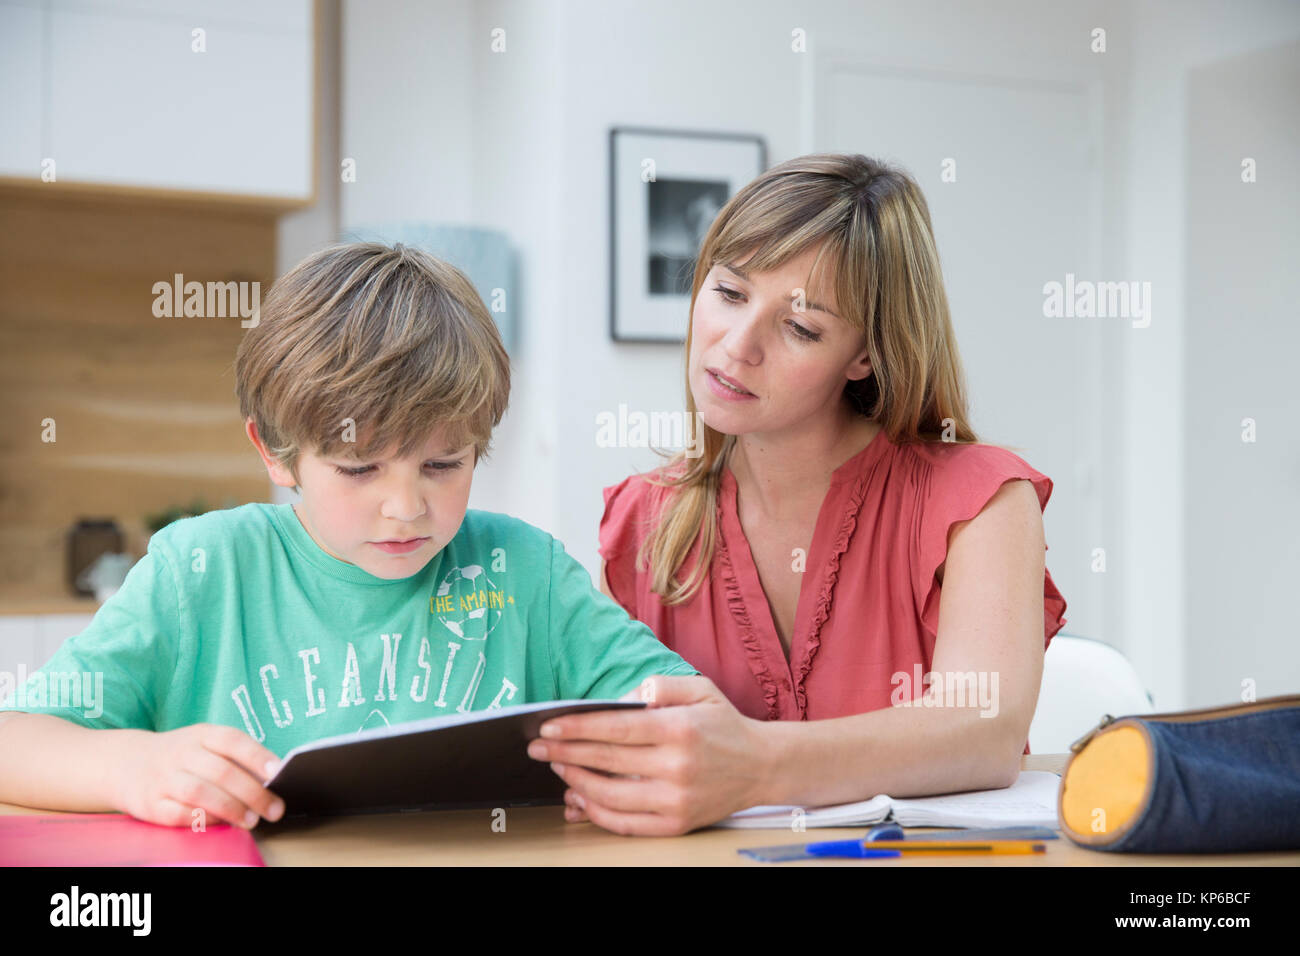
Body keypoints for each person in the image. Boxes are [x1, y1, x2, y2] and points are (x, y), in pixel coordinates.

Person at [0, 242, 698, 830]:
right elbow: (13, 744)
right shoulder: (202, 572)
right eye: (359, 468)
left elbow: (693, 717)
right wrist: (132, 766)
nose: (405, 508)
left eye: (442, 464)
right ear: (274, 452)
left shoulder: (522, 573)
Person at [525, 154, 1069, 836]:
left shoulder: (979, 498)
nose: (738, 346)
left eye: (801, 327)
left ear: (863, 356)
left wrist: (754, 764)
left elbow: (982, 729)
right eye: (728, 293)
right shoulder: (642, 520)